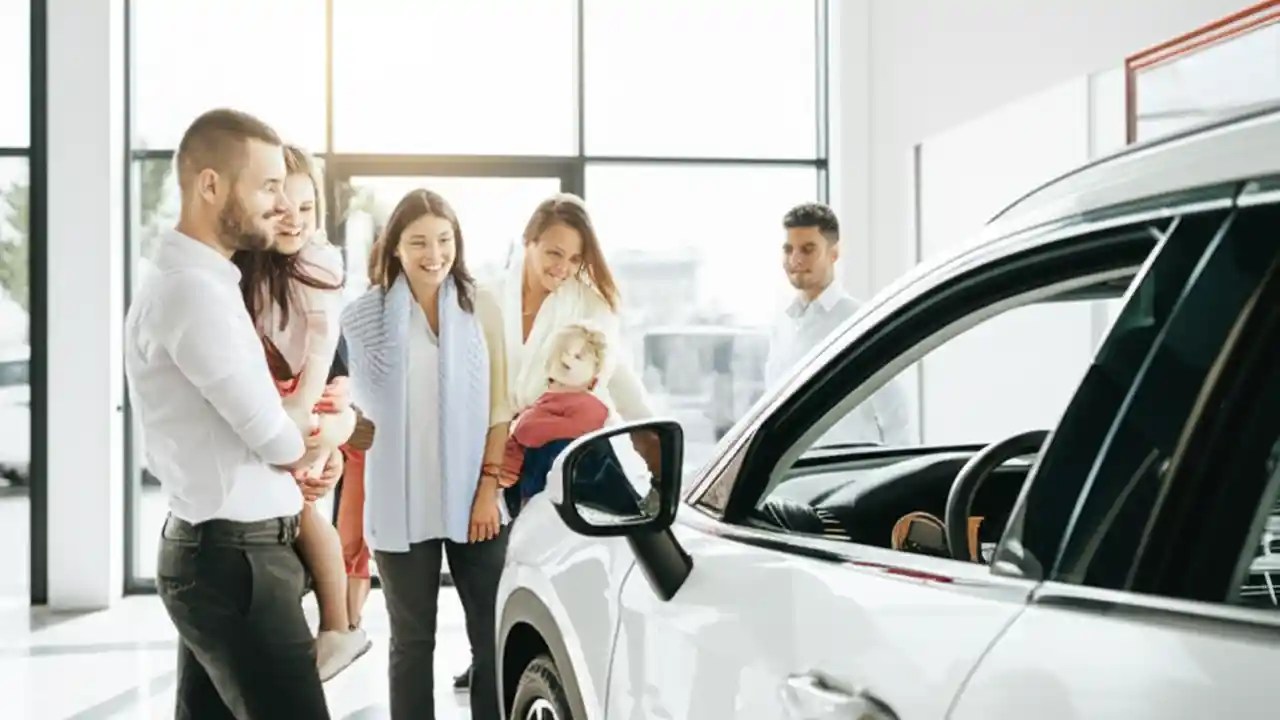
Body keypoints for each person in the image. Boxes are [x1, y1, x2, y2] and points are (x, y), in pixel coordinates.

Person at [124, 108, 339, 719]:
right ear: (210, 186)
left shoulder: (205, 283)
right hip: (233, 566)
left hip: (226, 559)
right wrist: (313, 426)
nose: (281, 203)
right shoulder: (193, 293)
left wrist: (309, 424)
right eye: (268, 185)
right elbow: (278, 441)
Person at [452, 191, 655, 690]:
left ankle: (555, 658)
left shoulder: (586, 303)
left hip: (559, 445)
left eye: (575, 258)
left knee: (550, 559)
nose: (563, 268)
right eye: (553, 254)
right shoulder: (485, 296)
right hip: (495, 436)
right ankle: (490, 651)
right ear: (529, 242)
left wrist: (648, 427)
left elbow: (612, 372)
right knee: (494, 560)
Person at [340, 189, 510, 720]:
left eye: (444, 240)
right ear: (395, 248)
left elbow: (501, 406)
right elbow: (353, 408)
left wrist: (488, 489)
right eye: (418, 242)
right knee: (412, 643)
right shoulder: (363, 317)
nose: (434, 254)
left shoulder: (481, 303)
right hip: (400, 502)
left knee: (491, 637)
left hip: (473, 499)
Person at [232, 144, 370, 681]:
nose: (294, 220)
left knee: (308, 516)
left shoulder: (317, 272)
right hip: (264, 458)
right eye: (279, 206)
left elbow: (334, 367)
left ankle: (339, 626)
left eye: (306, 208)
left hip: (303, 424)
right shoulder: (239, 274)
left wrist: (331, 434)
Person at [763, 202, 913, 446]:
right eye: (789, 249)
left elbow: (894, 413)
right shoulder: (782, 325)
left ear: (833, 253)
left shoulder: (860, 321)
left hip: (850, 475)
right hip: (796, 475)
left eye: (808, 249)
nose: (795, 259)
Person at [496, 321, 610, 508]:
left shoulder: (588, 403)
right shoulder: (541, 402)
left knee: (562, 445)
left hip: (552, 484)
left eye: (578, 356)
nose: (567, 358)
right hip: (513, 479)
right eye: (560, 353)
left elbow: (583, 429)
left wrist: (530, 426)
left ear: (592, 382)